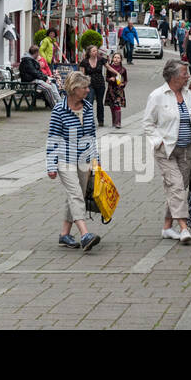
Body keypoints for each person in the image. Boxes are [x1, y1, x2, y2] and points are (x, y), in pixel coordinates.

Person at [143, 59, 191, 242]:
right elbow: (147, 123)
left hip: (187, 150)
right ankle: (184, 228)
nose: (188, 76)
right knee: (176, 187)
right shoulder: (157, 95)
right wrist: (158, 141)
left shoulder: (188, 93)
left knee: (177, 189)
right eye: (185, 73)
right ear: (174, 76)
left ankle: (167, 228)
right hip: (166, 150)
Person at [45, 71, 100, 251]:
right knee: (76, 195)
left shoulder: (87, 107)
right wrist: (51, 166)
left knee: (75, 196)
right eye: (84, 87)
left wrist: (95, 160)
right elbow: (53, 139)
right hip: (64, 159)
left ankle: (64, 235)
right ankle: (85, 234)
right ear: (74, 89)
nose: (87, 90)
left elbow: (91, 136)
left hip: (84, 158)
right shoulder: (59, 110)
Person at [80, 44, 108, 128]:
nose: (96, 52)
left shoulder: (101, 60)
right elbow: (82, 75)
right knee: (89, 102)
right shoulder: (84, 62)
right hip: (89, 84)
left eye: (96, 50)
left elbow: (109, 68)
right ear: (89, 52)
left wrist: (117, 73)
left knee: (100, 103)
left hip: (100, 84)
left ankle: (101, 121)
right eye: (94, 51)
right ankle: (89, 121)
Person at [105, 51, 128, 129]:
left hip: (119, 90)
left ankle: (118, 123)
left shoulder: (123, 69)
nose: (116, 59)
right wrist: (110, 79)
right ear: (112, 58)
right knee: (112, 106)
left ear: (121, 60)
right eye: (115, 57)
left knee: (117, 105)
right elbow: (106, 78)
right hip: (111, 89)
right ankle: (114, 122)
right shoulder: (109, 68)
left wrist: (123, 84)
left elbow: (125, 80)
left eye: (118, 58)